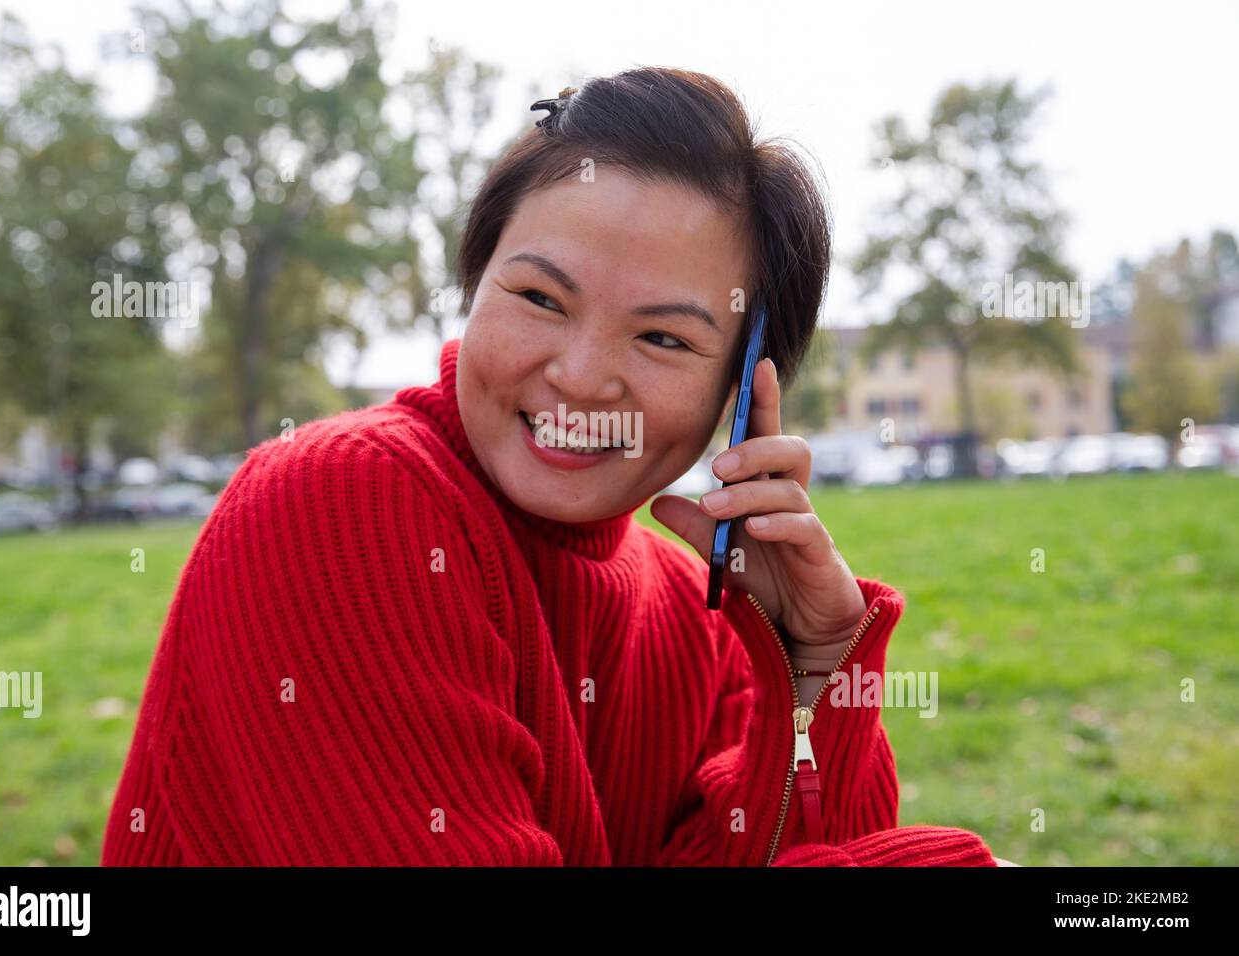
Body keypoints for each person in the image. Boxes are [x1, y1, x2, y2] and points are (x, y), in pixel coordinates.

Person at [102, 66, 1001, 866]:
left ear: (742, 391)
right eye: (539, 297)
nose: (577, 375)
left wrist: (813, 669)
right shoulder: (338, 503)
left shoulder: (703, 617)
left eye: (662, 336)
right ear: (474, 281)